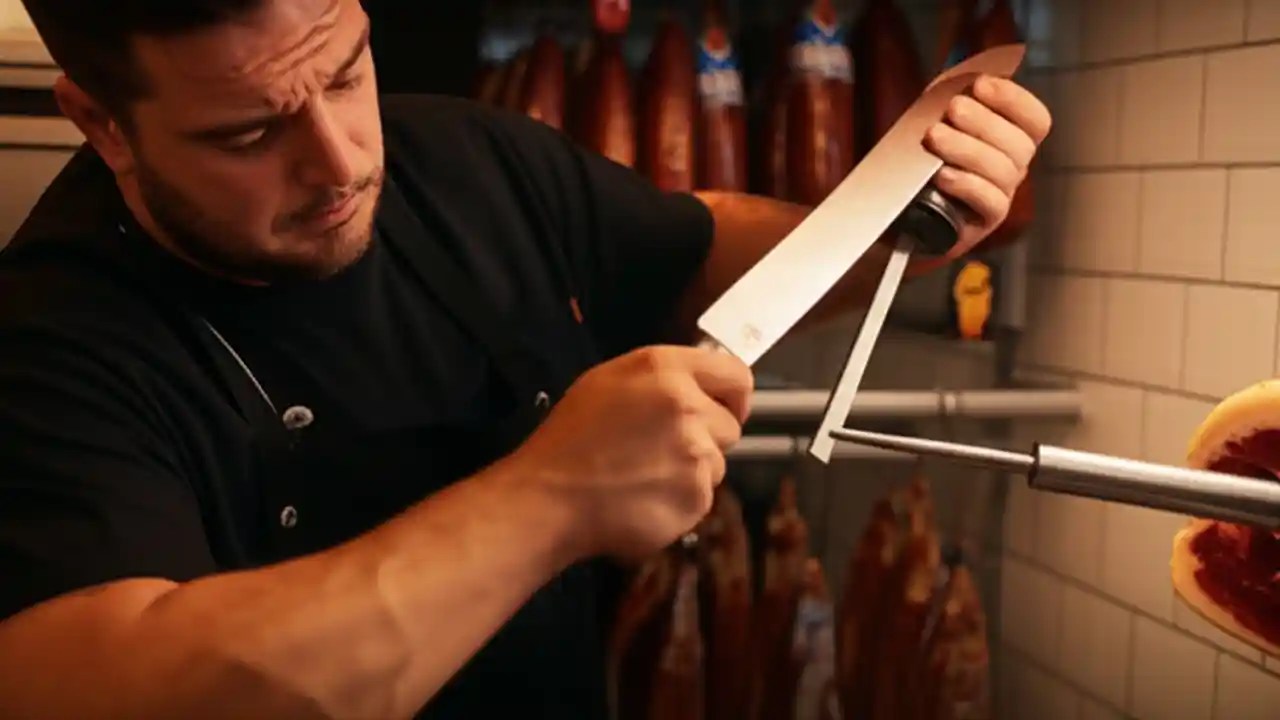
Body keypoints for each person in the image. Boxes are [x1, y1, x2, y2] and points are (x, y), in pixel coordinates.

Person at [0, 0, 1052, 718]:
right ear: (104, 124)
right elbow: (104, 686)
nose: (338, 161)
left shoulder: (462, 160)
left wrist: (899, 222)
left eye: (345, 70)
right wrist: (552, 495)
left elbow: (709, 246)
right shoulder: (50, 337)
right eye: (245, 135)